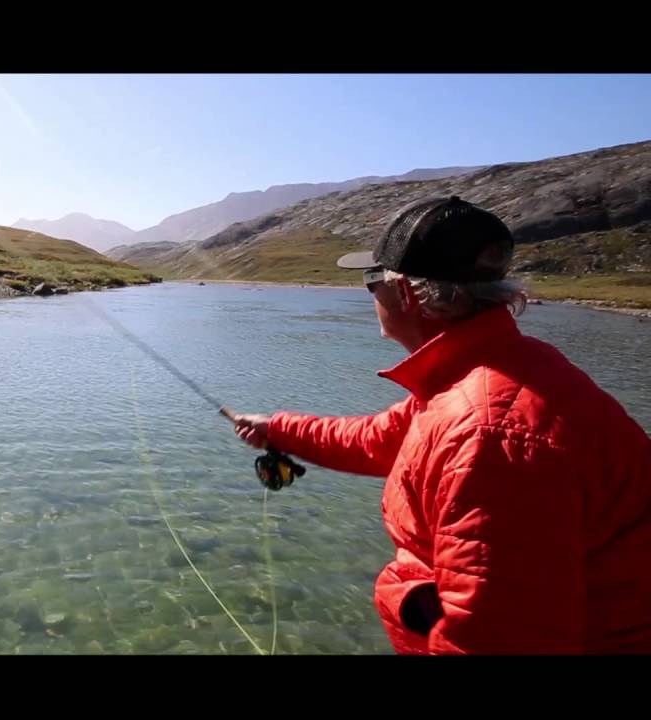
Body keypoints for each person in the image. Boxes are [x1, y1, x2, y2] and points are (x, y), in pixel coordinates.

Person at [230, 196, 651, 654]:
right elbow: (378, 440)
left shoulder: (489, 437)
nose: (369, 296)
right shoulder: (495, 372)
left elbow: (496, 641)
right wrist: (277, 428)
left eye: (373, 281)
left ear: (405, 294)